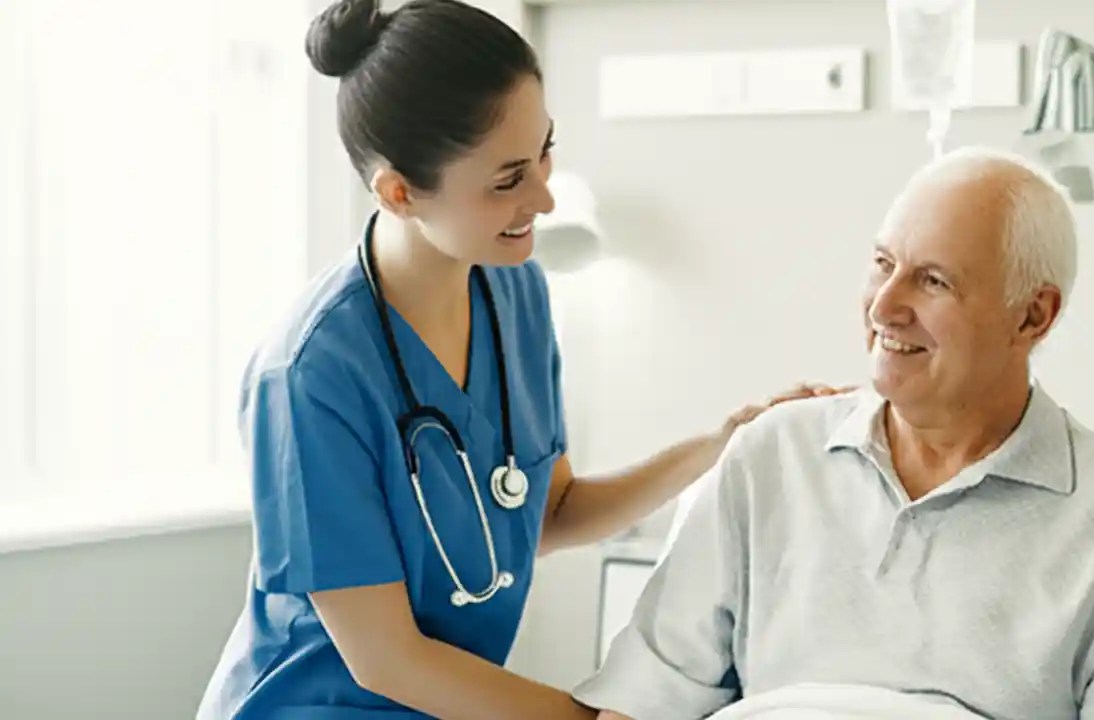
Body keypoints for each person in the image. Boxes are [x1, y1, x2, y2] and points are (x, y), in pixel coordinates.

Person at [195, 1, 841, 718]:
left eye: (545, 153)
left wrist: (724, 444)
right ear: (400, 192)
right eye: (507, 180)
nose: (543, 194)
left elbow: (549, 514)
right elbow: (385, 660)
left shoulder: (513, 286)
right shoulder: (309, 375)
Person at [576, 147, 1094, 720]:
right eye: (883, 263)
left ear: (1032, 315)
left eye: (934, 281)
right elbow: (644, 700)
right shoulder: (772, 455)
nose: (884, 306)